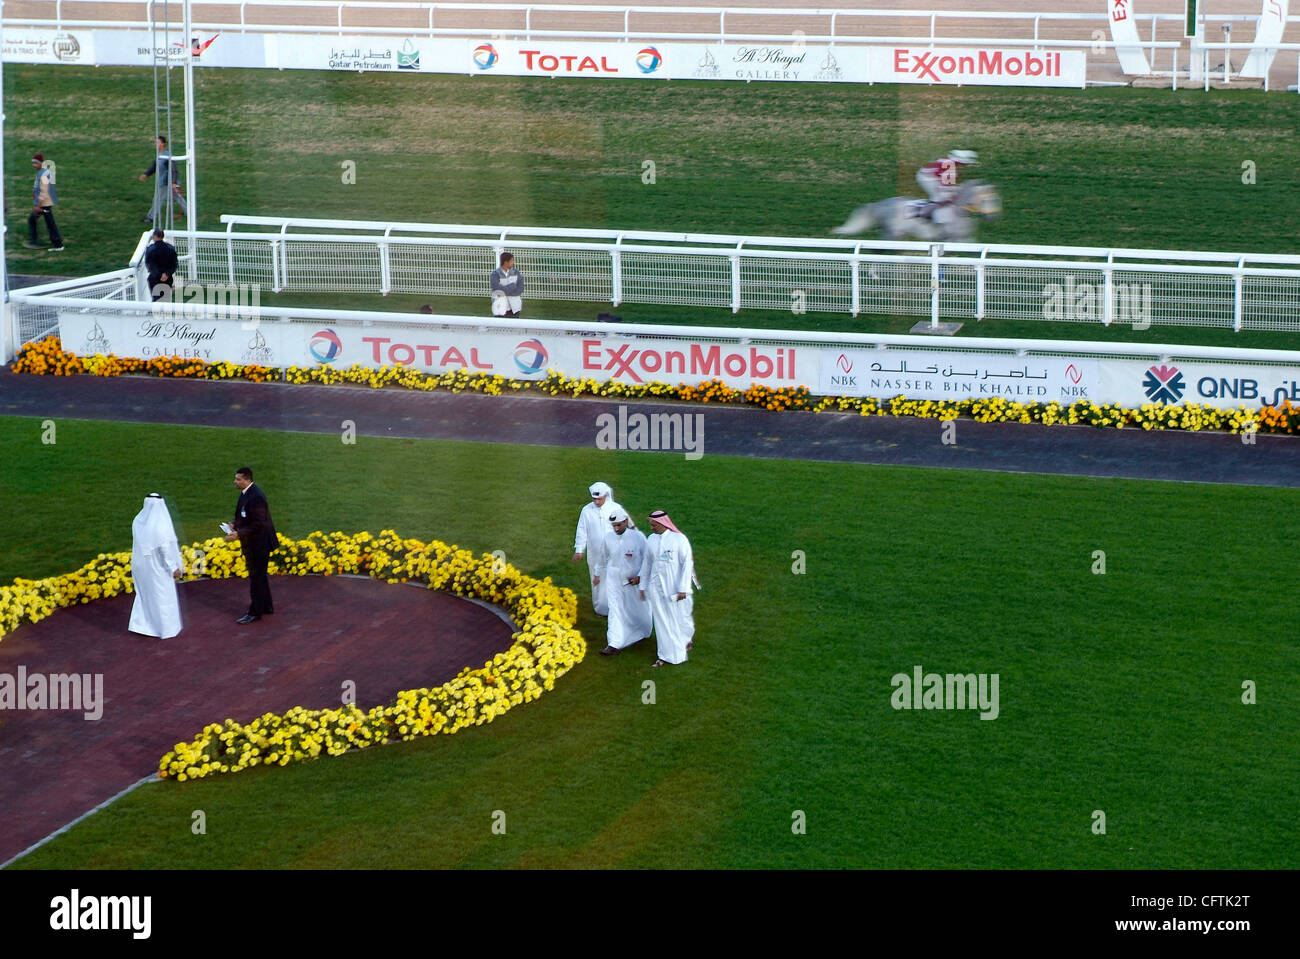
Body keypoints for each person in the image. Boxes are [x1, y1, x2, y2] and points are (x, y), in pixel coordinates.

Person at [638, 509, 700, 668]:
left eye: (653, 525)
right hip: (656, 588)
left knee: (677, 619)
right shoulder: (651, 539)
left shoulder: (679, 540)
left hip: (674, 588)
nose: (651, 528)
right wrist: (643, 586)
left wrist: (683, 588)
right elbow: (647, 564)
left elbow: (687, 564)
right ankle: (664, 655)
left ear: (662, 523)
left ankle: (679, 652)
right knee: (661, 622)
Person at [225, 467, 277, 624]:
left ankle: (255, 612)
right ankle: (266, 606)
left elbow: (258, 524)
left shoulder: (256, 497)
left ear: (247, 480)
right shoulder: (245, 494)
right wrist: (234, 524)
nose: (235, 482)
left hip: (259, 543)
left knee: (256, 577)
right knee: (259, 576)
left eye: (238, 479)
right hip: (253, 542)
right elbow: (242, 515)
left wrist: (238, 534)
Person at [128, 493, 184, 638]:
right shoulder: (161, 525)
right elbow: (164, 550)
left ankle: (142, 625)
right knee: (162, 597)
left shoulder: (138, 520)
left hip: (141, 564)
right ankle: (164, 629)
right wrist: (174, 568)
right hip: (157, 567)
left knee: (144, 595)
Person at [598, 509, 652, 655]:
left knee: (638, 610)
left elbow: (648, 559)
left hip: (633, 582)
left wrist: (640, 576)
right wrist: (597, 574)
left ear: (626, 522)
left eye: (619, 525)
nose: (616, 529)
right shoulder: (608, 538)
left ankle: (642, 630)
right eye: (613, 526)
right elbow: (602, 558)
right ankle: (614, 643)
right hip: (614, 580)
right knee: (615, 609)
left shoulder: (638, 537)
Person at [572, 481, 623, 616]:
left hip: (614, 553)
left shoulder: (616, 508)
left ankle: (616, 607)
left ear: (605, 496)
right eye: (594, 499)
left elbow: (626, 528)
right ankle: (600, 608)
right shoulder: (587, 510)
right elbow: (582, 530)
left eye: (599, 499)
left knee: (614, 578)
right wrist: (579, 550)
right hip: (595, 553)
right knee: (597, 579)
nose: (597, 501)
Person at [915, 149, 978, 220]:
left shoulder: (952, 163)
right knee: (940, 197)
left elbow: (948, 182)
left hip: (931, 175)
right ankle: (929, 215)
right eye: (967, 163)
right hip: (927, 177)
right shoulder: (950, 166)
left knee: (949, 194)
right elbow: (945, 185)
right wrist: (951, 197)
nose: (967, 165)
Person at [138, 135, 187, 224]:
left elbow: (173, 169)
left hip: (166, 182)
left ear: (163, 144)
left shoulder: (167, 156)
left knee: (158, 199)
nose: (156, 144)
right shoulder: (160, 155)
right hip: (166, 182)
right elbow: (154, 167)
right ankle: (189, 213)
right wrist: (146, 174)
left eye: (158, 142)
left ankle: (150, 217)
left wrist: (173, 182)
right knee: (178, 198)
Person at [25, 153, 63, 252]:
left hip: (44, 204)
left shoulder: (44, 174)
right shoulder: (42, 173)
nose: (34, 165)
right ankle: (42, 242)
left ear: (40, 163)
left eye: (35, 163)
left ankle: (56, 244)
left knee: (47, 223)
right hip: (44, 204)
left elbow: (44, 191)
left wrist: (38, 205)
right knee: (38, 221)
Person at [144, 229, 179, 302]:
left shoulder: (150, 249)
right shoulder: (170, 248)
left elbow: (150, 265)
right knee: (166, 299)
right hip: (168, 278)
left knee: (156, 299)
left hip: (155, 278)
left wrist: (159, 275)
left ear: (155, 236)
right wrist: (166, 274)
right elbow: (174, 264)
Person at [490, 251, 523, 317]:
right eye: (511, 261)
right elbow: (497, 290)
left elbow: (520, 289)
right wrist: (513, 286)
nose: (513, 263)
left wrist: (504, 289)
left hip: (514, 307)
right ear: (505, 262)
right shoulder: (495, 274)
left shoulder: (516, 272)